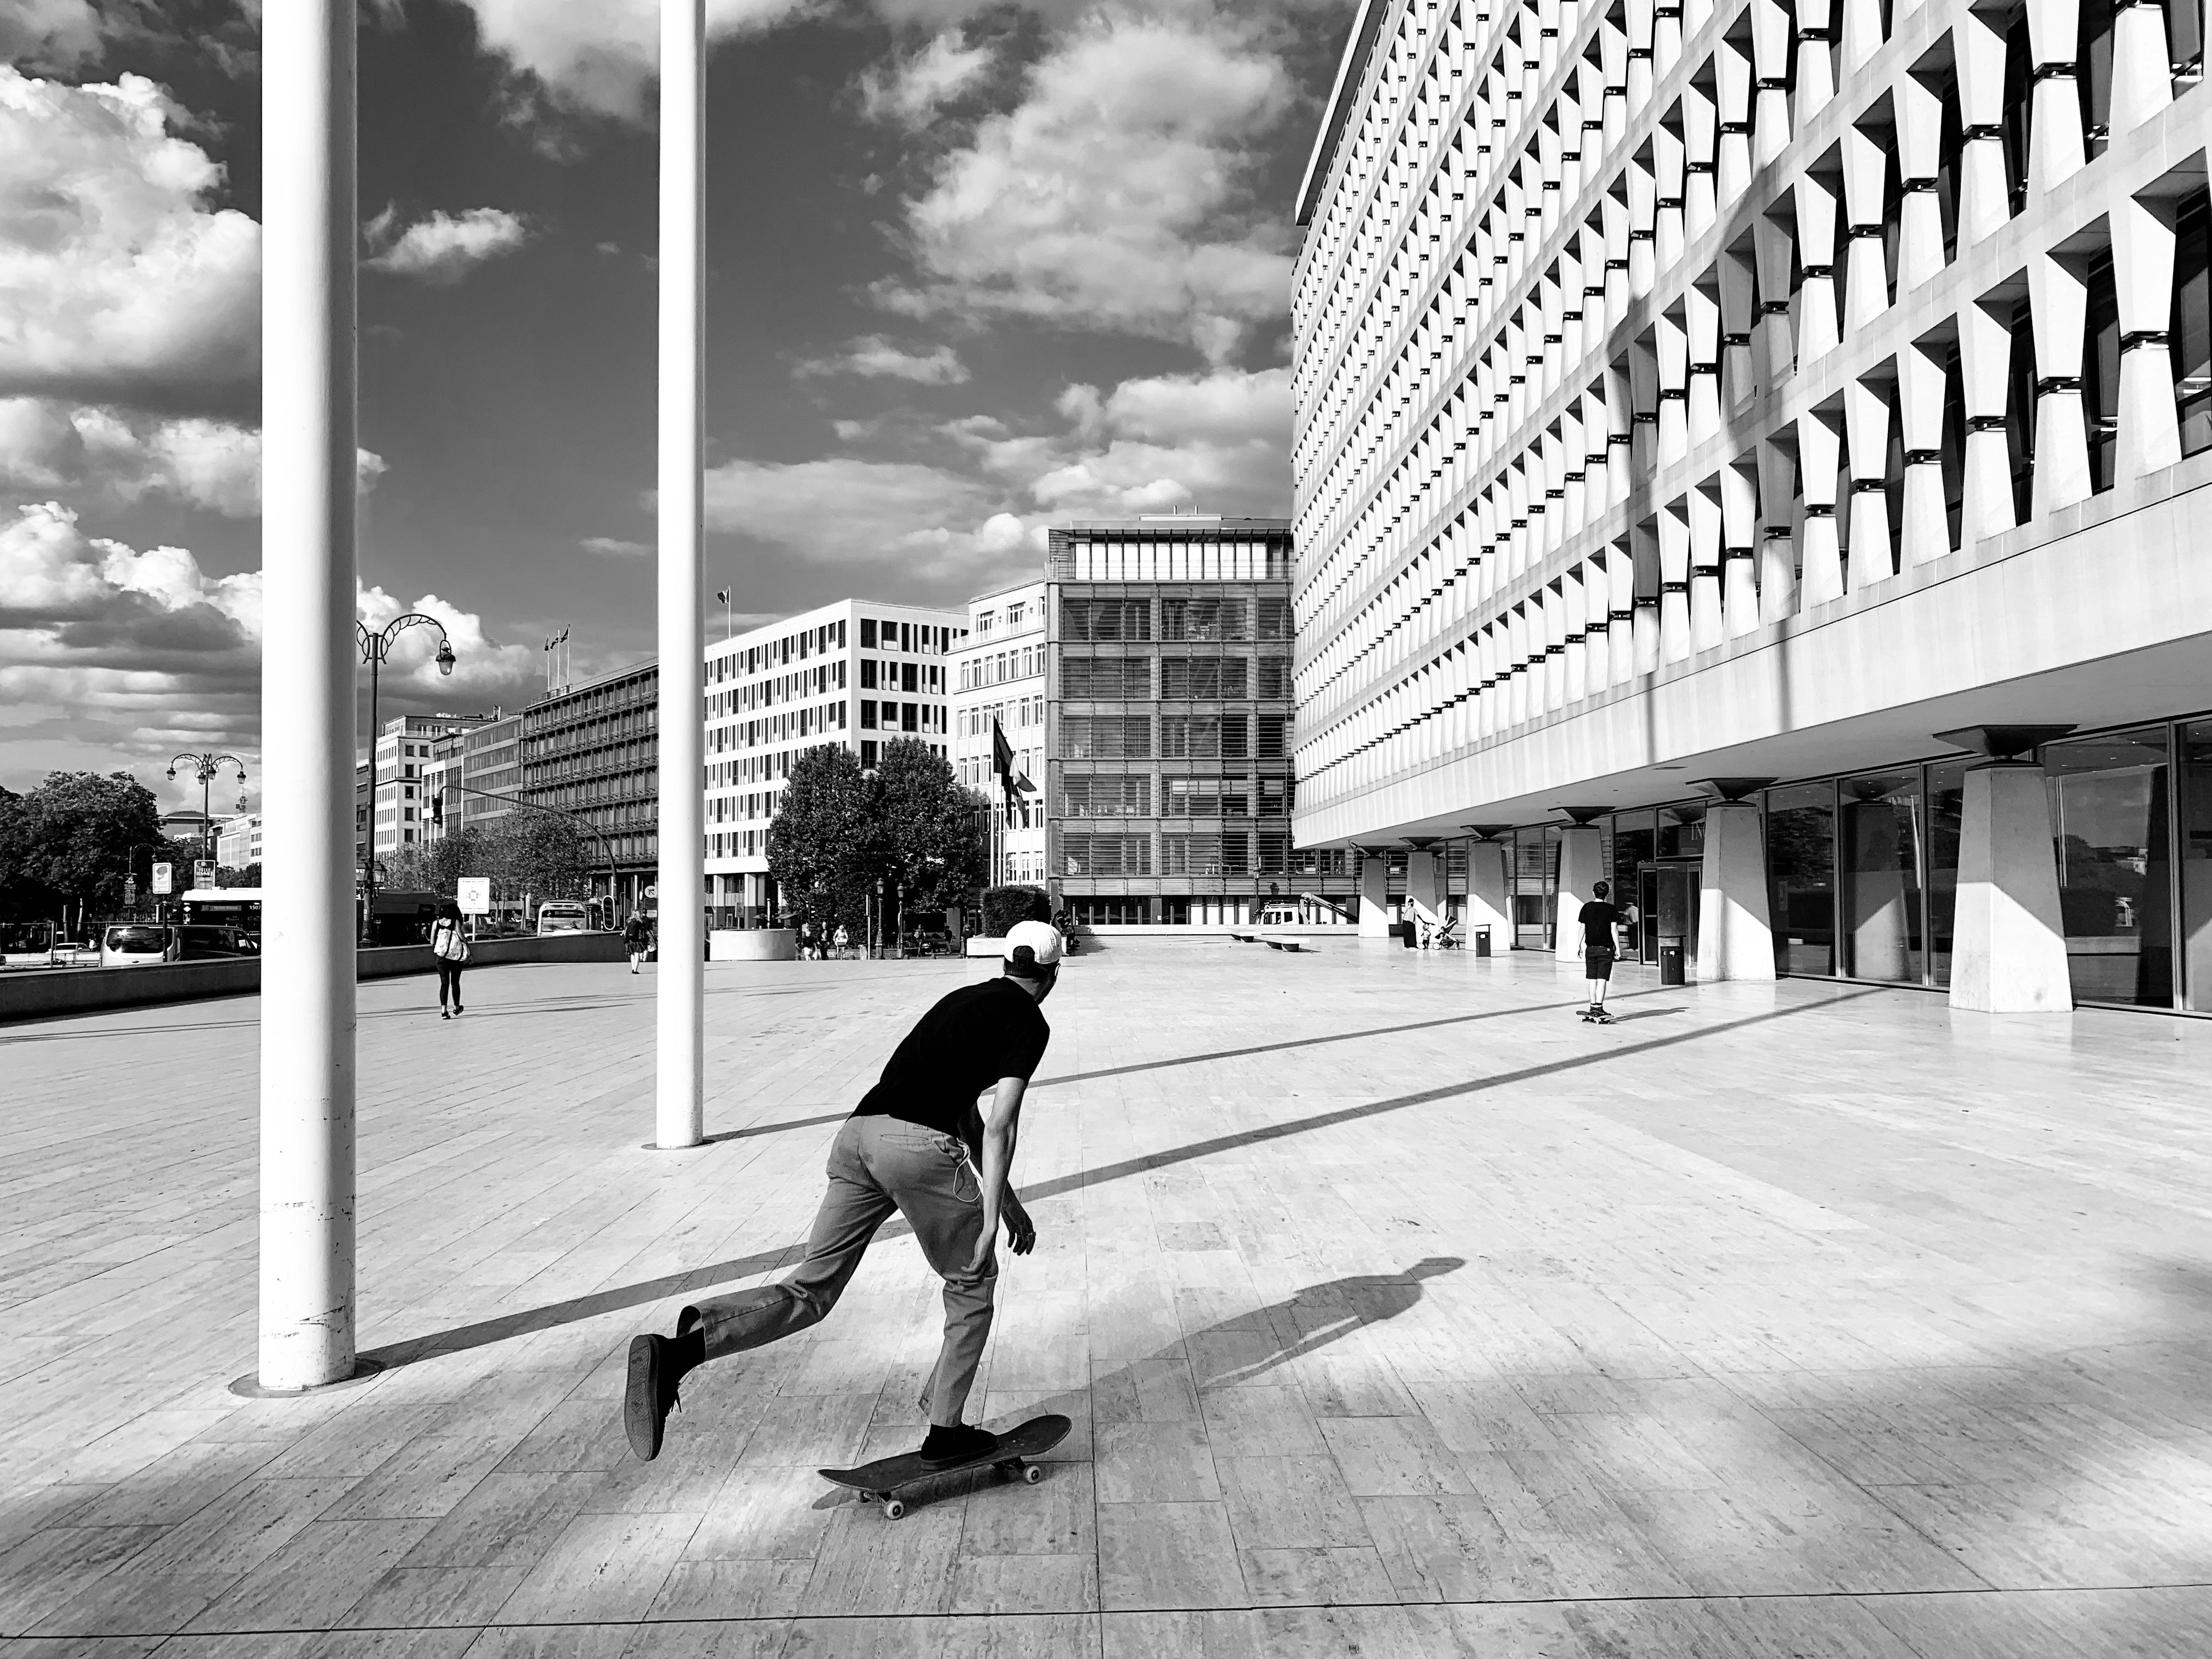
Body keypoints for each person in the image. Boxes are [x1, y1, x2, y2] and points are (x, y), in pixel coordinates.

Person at [623, 918, 1065, 1469]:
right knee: (972, 1283)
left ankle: (679, 1351)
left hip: (858, 1137)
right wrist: (993, 1222)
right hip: (915, 1148)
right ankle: (946, 1433)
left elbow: (967, 1118)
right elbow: (1000, 1127)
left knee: (812, 1289)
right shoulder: (1029, 1020)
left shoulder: (961, 1000)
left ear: (1005, 963)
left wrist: (1013, 1204)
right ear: (1051, 973)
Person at [1576, 879, 1624, 1020]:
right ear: (1607, 895)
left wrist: (1578, 945)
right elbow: (1614, 930)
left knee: (1592, 979)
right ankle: (1599, 1008)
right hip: (1606, 949)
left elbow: (1582, 928)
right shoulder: (1611, 909)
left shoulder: (1586, 907)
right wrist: (1618, 948)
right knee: (1602, 979)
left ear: (1593, 893)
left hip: (1590, 949)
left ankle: (1592, 1007)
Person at [429, 899, 468, 1019]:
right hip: (455, 958)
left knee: (444, 984)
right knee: (455, 983)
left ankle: (444, 1011)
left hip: (441, 959)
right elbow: (462, 938)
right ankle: (456, 1008)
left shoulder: (436, 923)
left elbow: (432, 942)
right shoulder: (455, 922)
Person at [623, 910, 651, 974]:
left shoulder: (629, 922)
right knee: (637, 954)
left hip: (630, 941)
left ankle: (633, 968)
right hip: (638, 941)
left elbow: (626, 931)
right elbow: (643, 933)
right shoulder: (640, 923)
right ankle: (635, 970)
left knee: (632, 954)